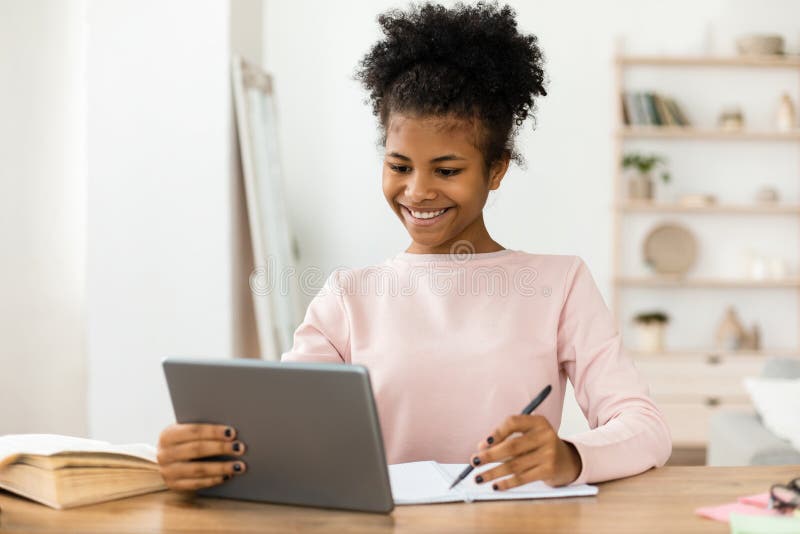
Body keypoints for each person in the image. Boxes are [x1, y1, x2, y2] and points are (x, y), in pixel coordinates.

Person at [156, 1, 672, 493]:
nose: (418, 191)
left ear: (495, 171)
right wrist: (208, 452)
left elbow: (644, 427)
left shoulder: (560, 285)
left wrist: (569, 457)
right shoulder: (346, 298)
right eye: (399, 165)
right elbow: (284, 433)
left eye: (447, 170)